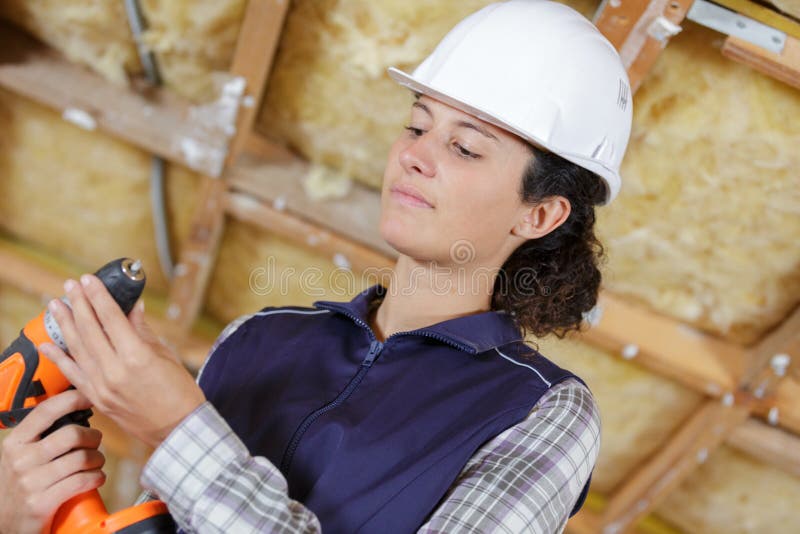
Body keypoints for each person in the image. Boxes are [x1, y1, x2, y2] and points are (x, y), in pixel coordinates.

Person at [0, 1, 632, 532]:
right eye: (417, 126)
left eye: (465, 147)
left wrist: (175, 428)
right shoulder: (258, 336)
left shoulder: (543, 412)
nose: (415, 156)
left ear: (540, 215)